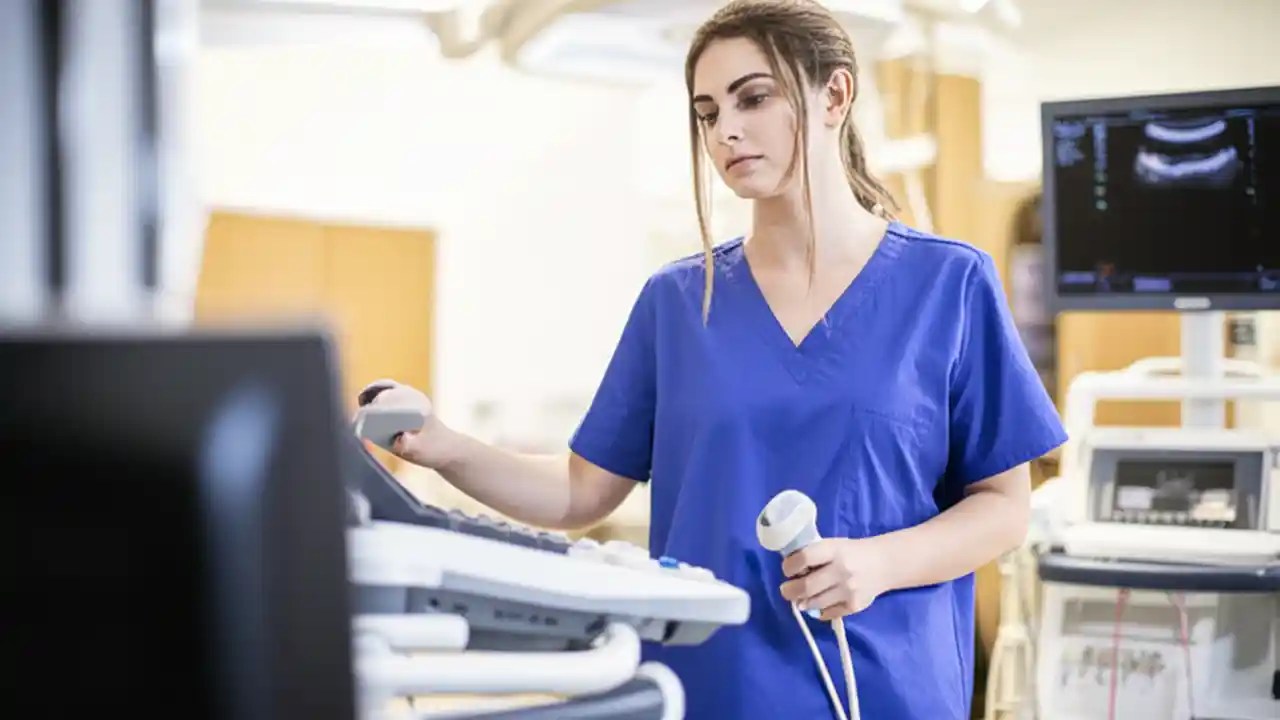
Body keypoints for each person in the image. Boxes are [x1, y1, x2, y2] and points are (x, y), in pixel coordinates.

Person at [359, 1, 1067, 717]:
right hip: (709, 688)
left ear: (836, 95)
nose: (725, 130)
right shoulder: (677, 302)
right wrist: (443, 447)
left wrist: (880, 564)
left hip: (882, 689)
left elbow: (1004, 509)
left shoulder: (948, 285)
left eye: (753, 98)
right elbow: (579, 492)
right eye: (706, 111)